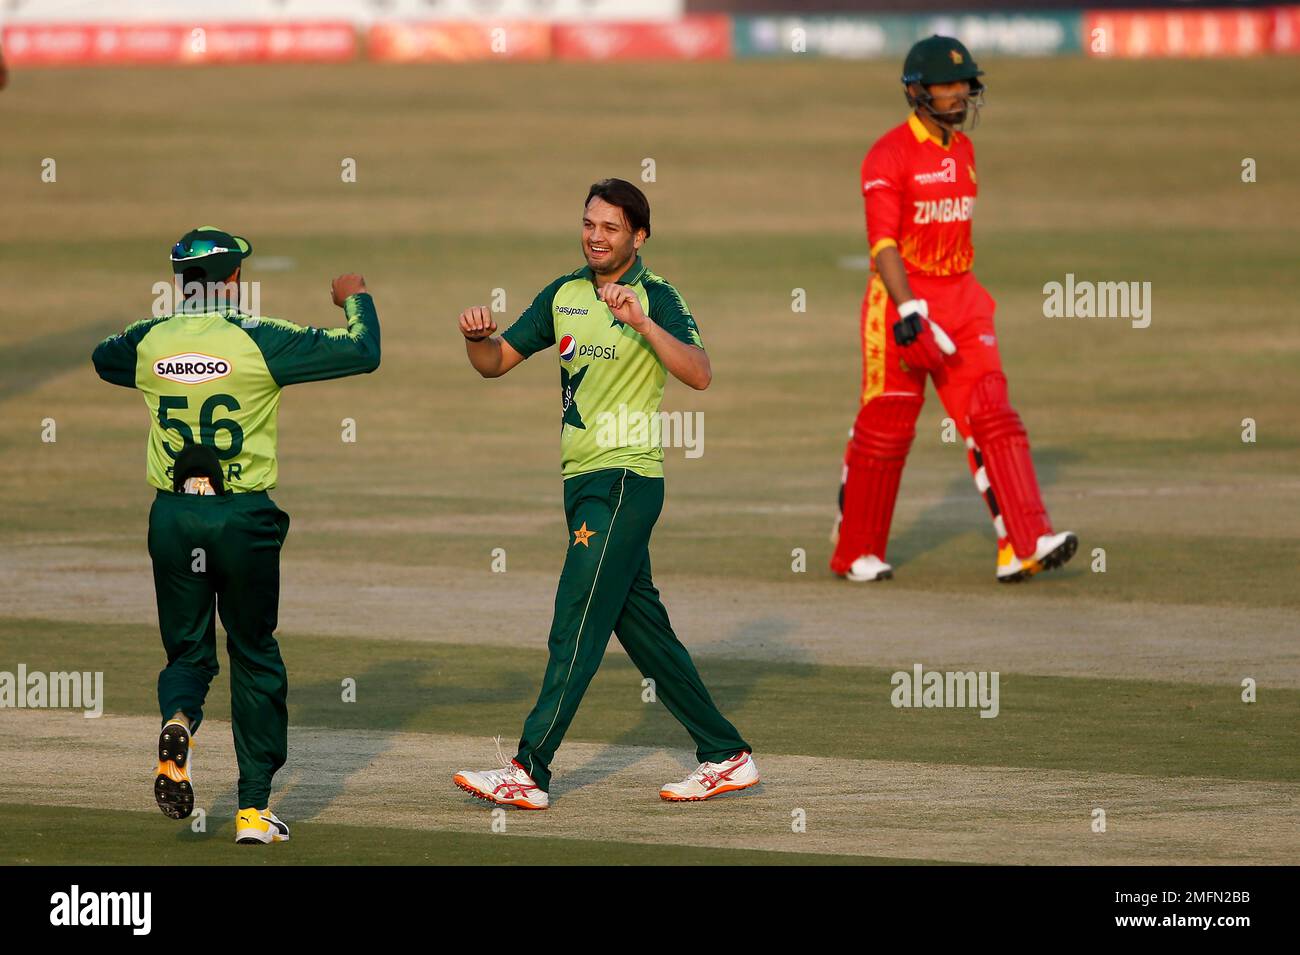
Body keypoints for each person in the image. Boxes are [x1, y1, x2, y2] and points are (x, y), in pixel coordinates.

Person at [452, 179, 757, 809]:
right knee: (641, 628)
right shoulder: (563, 294)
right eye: (589, 224)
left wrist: (641, 322)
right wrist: (477, 338)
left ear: (638, 236)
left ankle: (529, 770)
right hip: (582, 482)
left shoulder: (657, 296)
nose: (596, 236)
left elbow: (700, 373)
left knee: (576, 617)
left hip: (625, 481)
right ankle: (725, 753)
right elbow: (495, 363)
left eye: (611, 227)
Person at [91, 226, 380, 843]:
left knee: (188, 655)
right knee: (253, 652)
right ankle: (252, 811)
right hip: (241, 519)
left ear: (179, 281)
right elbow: (363, 350)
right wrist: (355, 296)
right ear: (234, 280)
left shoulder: (147, 341)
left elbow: (102, 356)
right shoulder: (260, 338)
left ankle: (179, 720)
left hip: (173, 519)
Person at [831, 35, 1076, 584]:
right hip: (902, 302)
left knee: (993, 414)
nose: (960, 93)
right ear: (917, 91)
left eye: (965, 83)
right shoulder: (888, 155)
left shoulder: (964, 150)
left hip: (962, 298)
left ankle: (1024, 543)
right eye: (948, 85)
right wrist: (909, 310)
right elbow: (883, 244)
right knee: (888, 425)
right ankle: (856, 550)